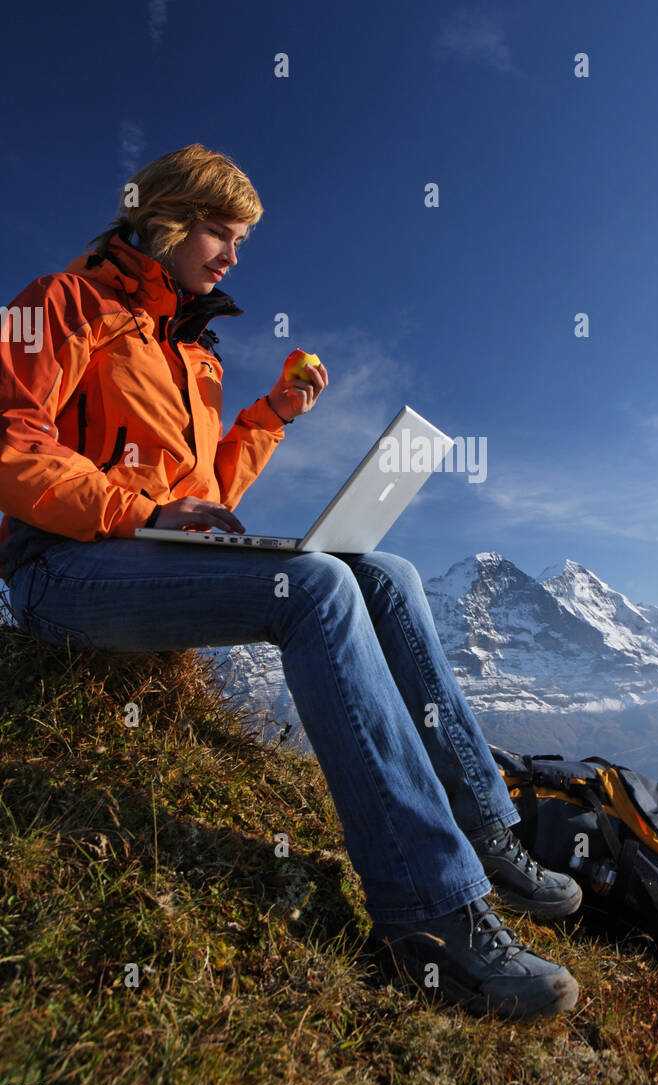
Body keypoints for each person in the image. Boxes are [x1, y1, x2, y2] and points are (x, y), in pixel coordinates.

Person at [0, 143, 581, 1020]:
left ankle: (485, 827)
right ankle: (428, 912)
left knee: (382, 572)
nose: (233, 258)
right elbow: (12, 446)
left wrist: (272, 415)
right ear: (164, 219)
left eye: (240, 241)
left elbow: (207, 500)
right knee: (312, 589)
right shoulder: (58, 303)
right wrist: (139, 513)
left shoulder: (196, 354)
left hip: (148, 557)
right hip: (59, 568)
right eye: (220, 235)